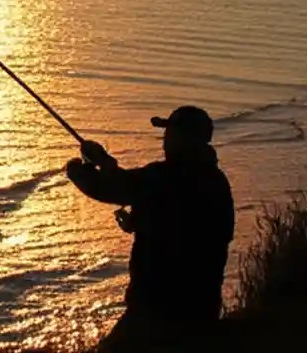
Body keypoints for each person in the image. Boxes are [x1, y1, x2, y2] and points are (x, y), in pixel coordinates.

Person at [66, 106, 234, 352]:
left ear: (182, 138)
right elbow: (188, 229)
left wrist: (81, 167)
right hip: (203, 308)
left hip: (156, 311)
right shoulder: (217, 182)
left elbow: (106, 188)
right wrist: (141, 219)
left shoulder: (162, 177)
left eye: (169, 133)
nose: (164, 141)